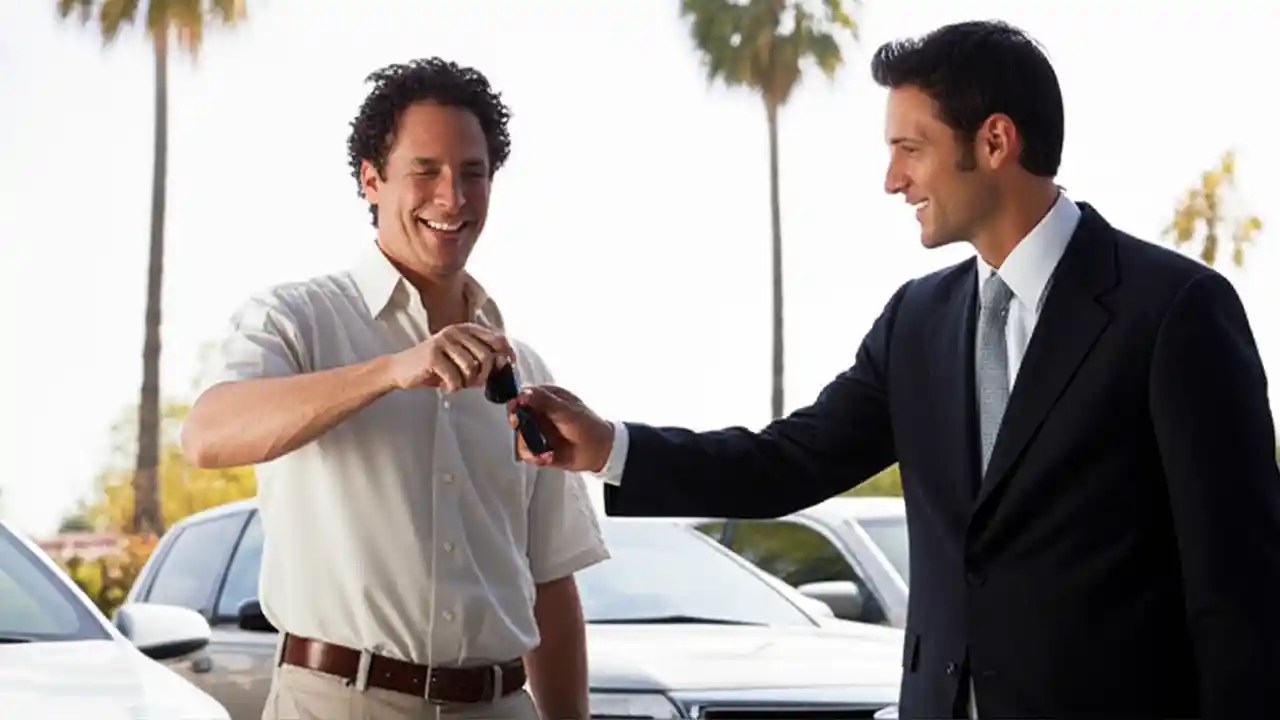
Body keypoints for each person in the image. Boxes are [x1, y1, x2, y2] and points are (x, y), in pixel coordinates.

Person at [507, 20, 1280, 720]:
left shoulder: (1174, 310)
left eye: (910, 149)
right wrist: (611, 446)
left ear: (994, 141)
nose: (892, 179)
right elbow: (788, 462)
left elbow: (1239, 585)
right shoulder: (919, 321)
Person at [181, 58, 608, 720]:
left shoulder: (525, 366)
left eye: (473, 173)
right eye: (427, 171)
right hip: (334, 704)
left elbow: (550, 580)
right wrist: (392, 370)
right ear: (372, 180)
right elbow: (208, 434)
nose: (454, 197)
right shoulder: (294, 321)